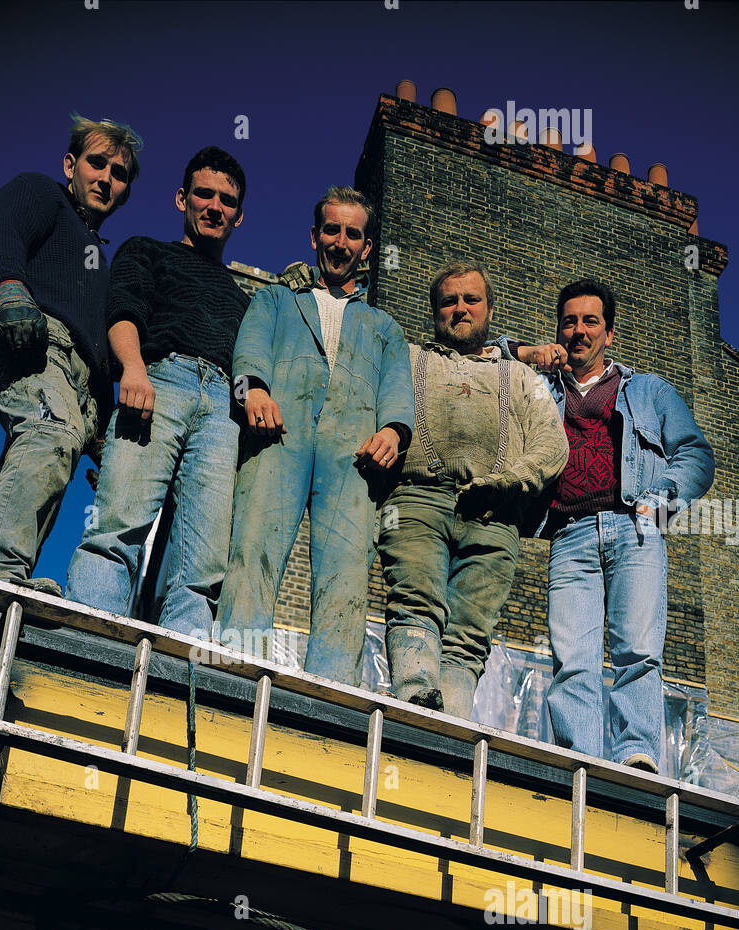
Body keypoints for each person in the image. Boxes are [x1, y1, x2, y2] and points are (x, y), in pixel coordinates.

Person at [501, 277, 715, 771]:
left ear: (609, 334)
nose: (579, 331)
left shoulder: (648, 390)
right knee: (572, 658)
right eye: (569, 321)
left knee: (637, 650)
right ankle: (579, 760)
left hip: (635, 529)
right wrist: (531, 353)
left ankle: (636, 755)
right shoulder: (540, 391)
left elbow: (697, 455)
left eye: (590, 321)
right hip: (569, 534)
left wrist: (659, 506)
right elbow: (487, 349)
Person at [216, 186, 413, 687]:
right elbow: (246, 357)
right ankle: (236, 674)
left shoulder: (385, 326)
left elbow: (397, 390)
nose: (341, 242)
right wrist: (252, 392)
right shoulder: (276, 300)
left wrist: (394, 430)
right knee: (253, 549)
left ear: (366, 247)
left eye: (353, 233)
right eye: (331, 229)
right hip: (277, 434)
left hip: (354, 454)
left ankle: (329, 695)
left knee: (345, 575)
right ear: (314, 236)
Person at [65, 146, 249, 637]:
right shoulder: (146, 249)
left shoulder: (241, 296)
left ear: (238, 215)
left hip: (221, 410)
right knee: (118, 525)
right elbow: (122, 310)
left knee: (205, 559)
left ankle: (180, 672)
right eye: (203, 194)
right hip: (157, 381)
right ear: (181, 199)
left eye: (226, 201)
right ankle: (87, 641)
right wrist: (133, 368)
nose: (214, 207)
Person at [0, 115, 142, 594]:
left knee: (40, 454)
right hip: (35, 341)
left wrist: (102, 428)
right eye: (96, 163)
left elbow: (101, 349)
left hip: (80, 378)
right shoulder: (41, 193)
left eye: (118, 173)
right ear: (70, 164)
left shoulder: (101, 261)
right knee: (50, 433)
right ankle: (0, 571)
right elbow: (4, 233)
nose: (105, 178)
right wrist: (9, 288)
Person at [379, 262, 568, 717]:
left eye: (471, 299)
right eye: (449, 301)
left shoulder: (522, 378)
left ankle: (453, 722)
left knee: (470, 629)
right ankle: (414, 698)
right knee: (414, 598)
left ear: (489, 310)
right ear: (434, 311)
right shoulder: (405, 359)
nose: (460, 308)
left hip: (496, 514)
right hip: (416, 499)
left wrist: (509, 479)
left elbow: (552, 442)